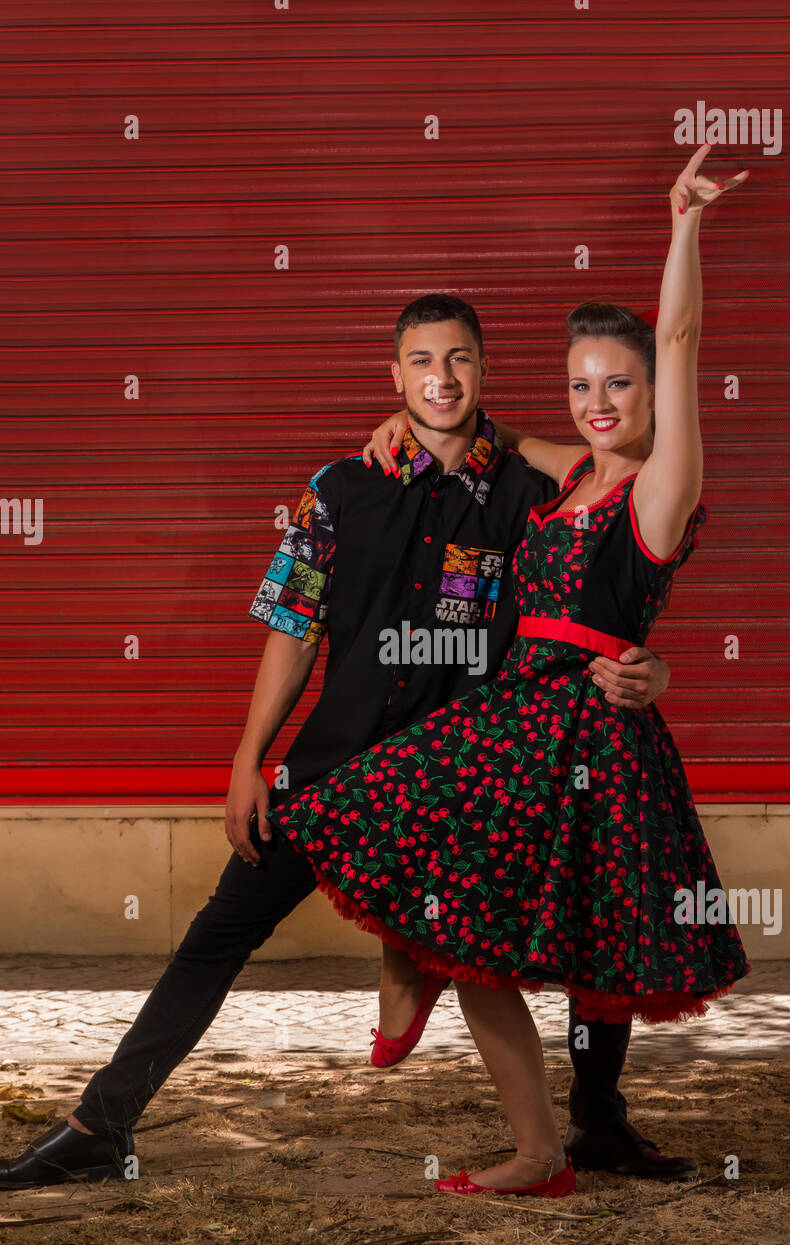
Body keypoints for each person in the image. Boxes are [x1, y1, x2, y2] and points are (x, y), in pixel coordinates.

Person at [0, 292, 674, 1191]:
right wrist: (248, 760)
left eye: (461, 360)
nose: (442, 378)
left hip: (464, 779)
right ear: (394, 377)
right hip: (336, 771)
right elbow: (291, 626)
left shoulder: (533, 494)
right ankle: (101, 1122)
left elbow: (613, 575)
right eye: (423, 363)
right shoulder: (337, 490)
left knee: (589, 917)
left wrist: (648, 668)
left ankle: (598, 1124)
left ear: (485, 374)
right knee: (217, 934)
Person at [264, 143, 752, 1198]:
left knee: (562, 940)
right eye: (581, 383)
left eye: (617, 382)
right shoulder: (569, 470)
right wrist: (408, 411)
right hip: (516, 719)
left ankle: (552, 1145)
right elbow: (475, 427)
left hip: (587, 733)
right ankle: (533, 1123)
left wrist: (682, 223)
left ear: (651, 392)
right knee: (438, 884)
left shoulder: (659, 488)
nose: (598, 399)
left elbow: (678, 336)